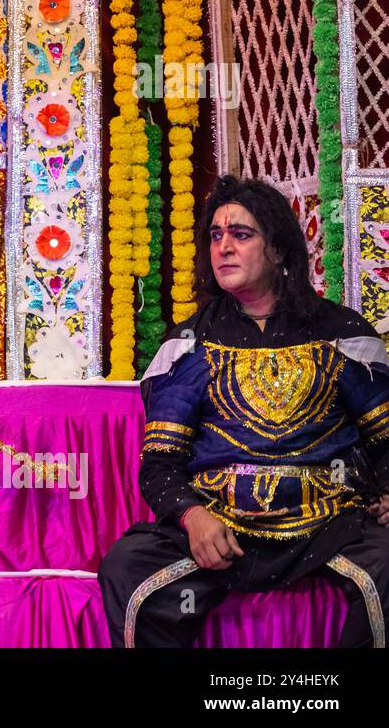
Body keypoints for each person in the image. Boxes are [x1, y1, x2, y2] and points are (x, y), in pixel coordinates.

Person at [99, 175, 389, 647]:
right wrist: (193, 517)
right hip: (223, 524)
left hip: (330, 524)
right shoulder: (187, 345)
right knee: (126, 569)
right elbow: (159, 466)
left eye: (241, 234)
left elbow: (384, 443)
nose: (224, 247)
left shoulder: (343, 335)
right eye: (216, 235)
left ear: (277, 249)